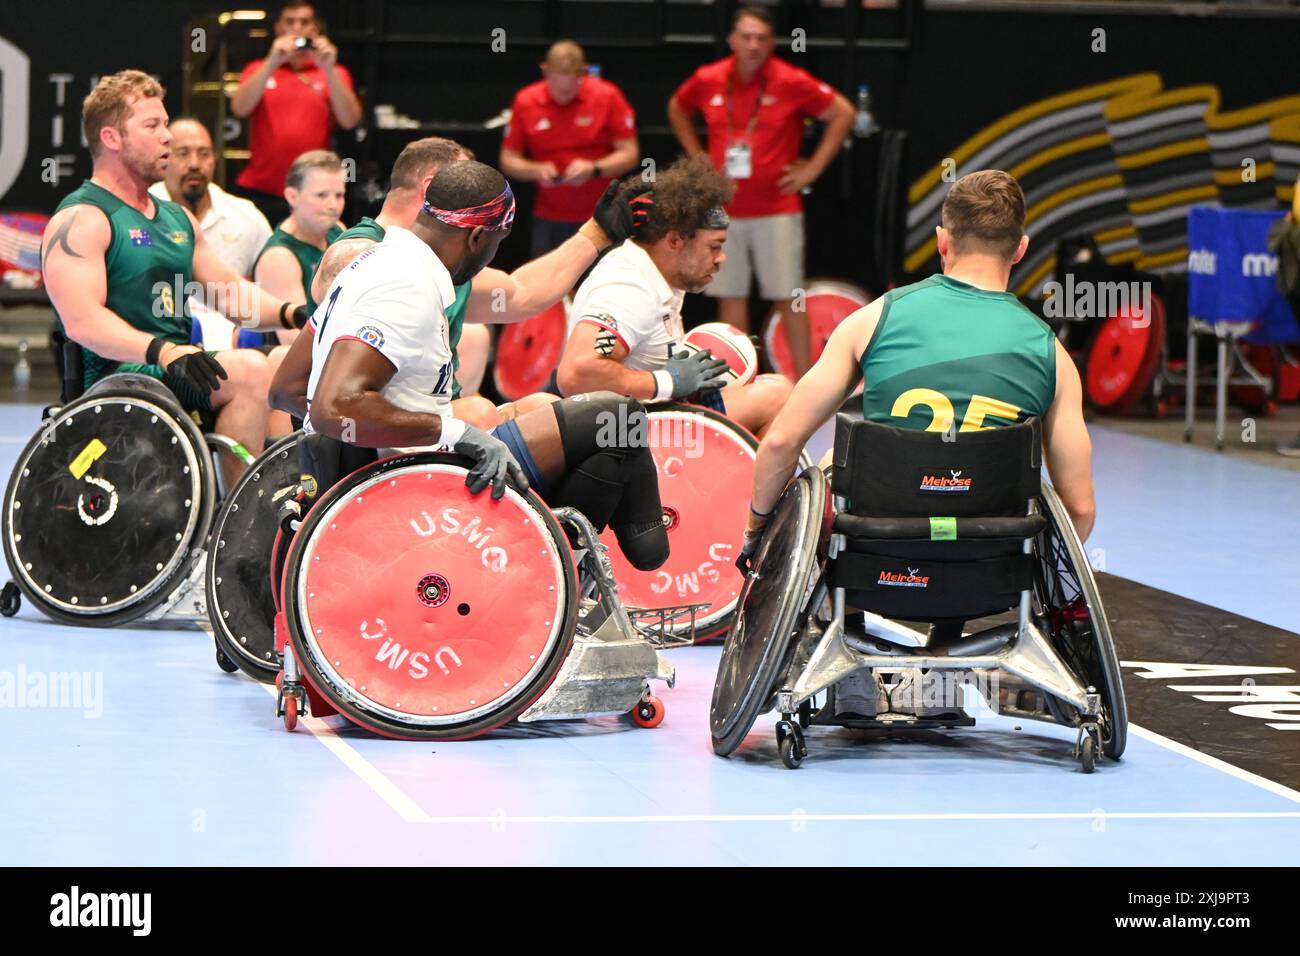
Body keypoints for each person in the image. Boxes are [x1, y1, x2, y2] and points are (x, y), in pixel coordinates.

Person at [737, 170, 1095, 716]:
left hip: (873, 562)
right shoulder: (1052, 354)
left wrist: (758, 530)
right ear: (1020, 249)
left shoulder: (874, 319)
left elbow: (782, 440)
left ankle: (848, 663)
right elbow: (1081, 509)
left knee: (832, 468)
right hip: (990, 576)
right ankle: (944, 653)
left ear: (942, 241)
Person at [303, 160, 668, 570]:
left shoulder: (382, 262)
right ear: (477, 235)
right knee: (620, 417)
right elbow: (333, 408)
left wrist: (596, 234)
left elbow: (287, 387)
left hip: (405, 457)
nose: (494, 255)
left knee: (599, 456)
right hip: (415, 476)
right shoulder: (401, 279)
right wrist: (453, 431)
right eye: (497, 243)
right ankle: (572, 565)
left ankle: (558, 584)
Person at [41, 70, 310, 489]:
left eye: (164, 123)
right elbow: (82, 321)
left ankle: (250, 504)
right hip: (118, 374)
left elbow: (228, 291)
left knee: (272, 367)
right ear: (112, 138)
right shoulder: (82, 218)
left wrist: (294, 313)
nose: (166, 136)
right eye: (152, 126)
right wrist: (164, 351)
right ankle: (244, 522)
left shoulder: (176, 218)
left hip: (176, 368)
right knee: (250, 370)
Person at [276, 135, 648, 430]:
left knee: (554, 411)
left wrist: (597, 234)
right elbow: (337, 293)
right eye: (464, 182)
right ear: (433, 187)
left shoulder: (440, 264)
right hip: (384, 433)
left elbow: (521, 294)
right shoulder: (364, 254)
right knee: (479, 412)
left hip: (435, 419)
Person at [667, 5, 854, 375]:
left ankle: (803, 383)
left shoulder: (790, 79)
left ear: (771, 43)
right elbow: (677, 107)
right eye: (746, 37)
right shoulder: (709, 78)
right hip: (724, 209)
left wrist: (812, 168)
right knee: (730, 295)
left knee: (790, 296)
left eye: (762, 38)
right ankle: (735, 384)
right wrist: (697, 158)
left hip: (777, 208)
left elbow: (843, 113)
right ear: (733, 41)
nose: (753, 45)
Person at [556, 155, 792, 438]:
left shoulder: (660, 273)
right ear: (675, 240)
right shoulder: (627, 289)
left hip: (645, 417)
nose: (721, 258)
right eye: (714, 247)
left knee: (766, 383)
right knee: (776, 396)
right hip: (620, 434)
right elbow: (576, 374)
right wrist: (667, 380)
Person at [500, 40, 640, 257]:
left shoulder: (608, 96)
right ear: (545, 71)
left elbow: (630, 153)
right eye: (557, 89)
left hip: (601, 215)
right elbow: (508, 159)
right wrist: (535, 170)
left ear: (583, 73)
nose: (563, 96)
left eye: (570, 89)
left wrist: (594, 168)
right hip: (549, 217)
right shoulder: (526, 100)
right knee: (546, 287)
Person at [229, 1, 361, 224]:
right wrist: (272, 61)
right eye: (290, 22)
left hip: (314, 192)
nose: (297, 28)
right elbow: (240, 108)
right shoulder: (257, 68)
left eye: (305, 22)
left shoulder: (334, 72)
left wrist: (328, 68)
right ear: (278, 28)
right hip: (261, 189)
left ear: (316, 29)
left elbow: (350, 121)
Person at [252, 149, 345, 343]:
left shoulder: (337, 230)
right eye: (321, 195)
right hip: (295, 363)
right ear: (292, 196)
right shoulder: (279, 258)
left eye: (339, 195)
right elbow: (296, 342)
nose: (333, 205)